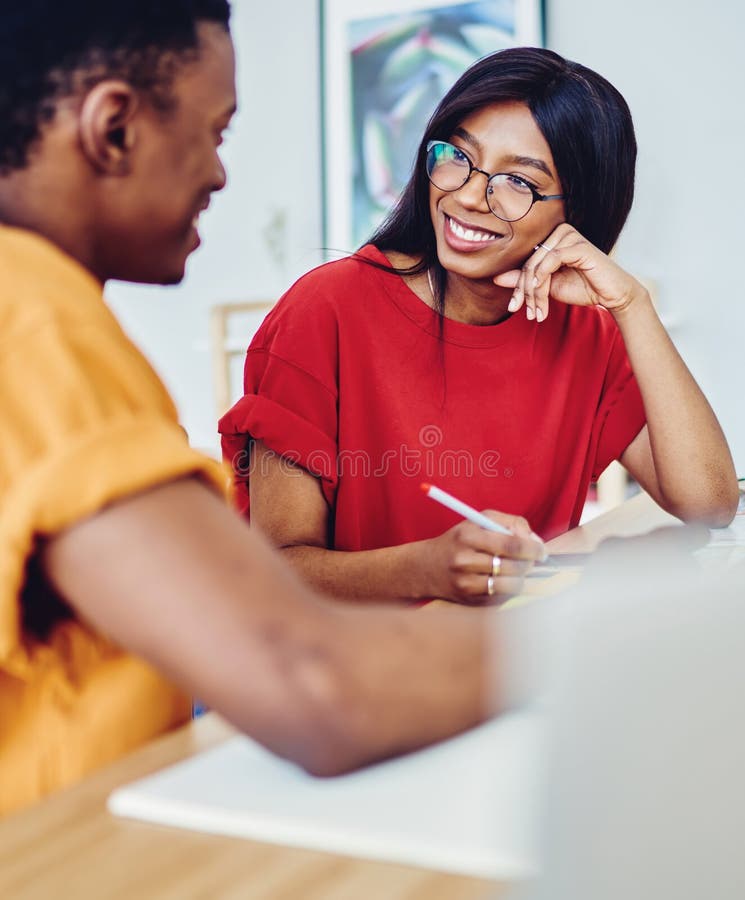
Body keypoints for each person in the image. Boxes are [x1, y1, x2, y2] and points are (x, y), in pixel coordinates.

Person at [0, 1, 530, 818]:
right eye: (216, 133)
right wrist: (601, 641)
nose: (218, 175)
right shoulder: (33, 319)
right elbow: (312, 681)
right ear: (113, 129)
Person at [219, 47, 738, 606]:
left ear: (577, 214)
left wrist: (631, 305)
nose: (466, 195)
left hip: (504, 668)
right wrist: (425, 570)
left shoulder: (587, 334)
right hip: (358, 675)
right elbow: (277, 572)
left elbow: (708, 504)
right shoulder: (325, 310)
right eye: (457, 157)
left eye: (519, 182)